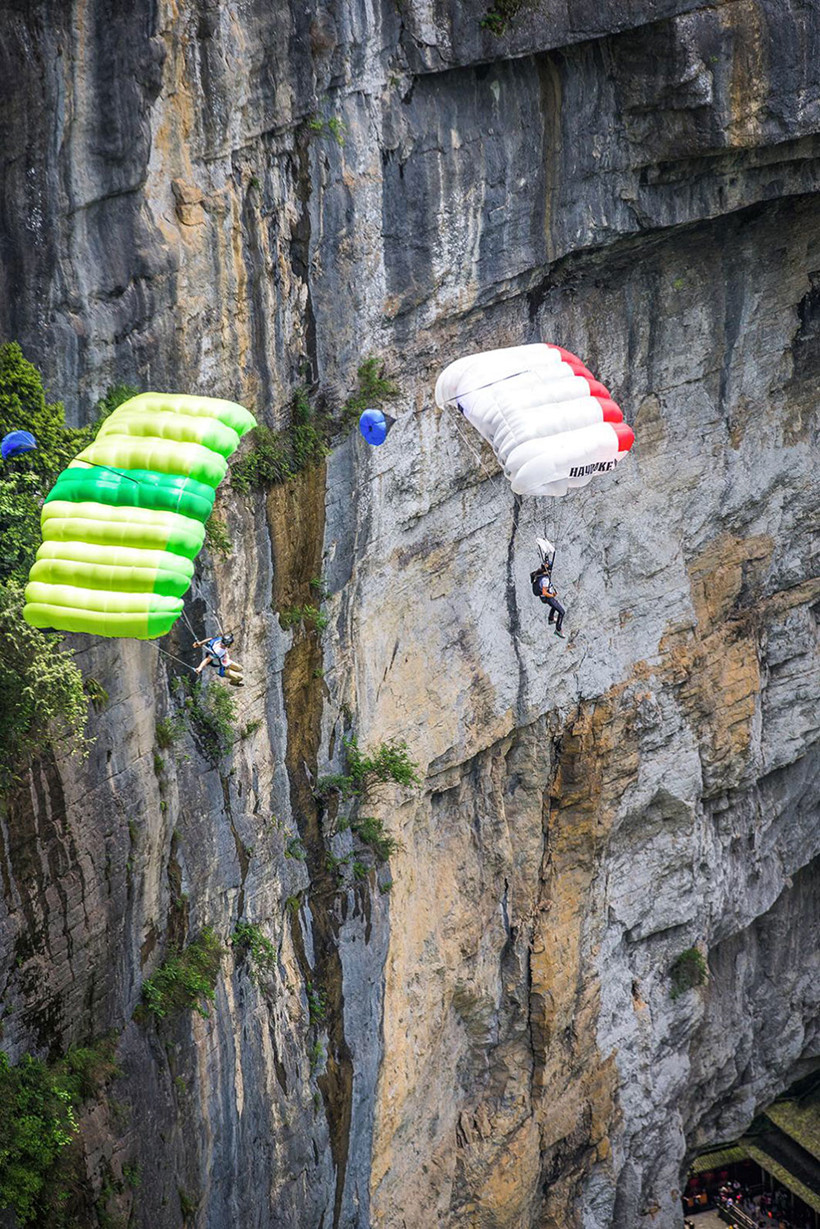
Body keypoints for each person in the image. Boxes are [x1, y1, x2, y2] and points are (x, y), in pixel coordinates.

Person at [530, 560, 566, 637]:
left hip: (544, 598)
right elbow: (544, 592)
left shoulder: (540, 575)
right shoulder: (545, 580)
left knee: (555, 604)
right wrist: (552, 595)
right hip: (547, 598)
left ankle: (551, 619)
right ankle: (558, 629)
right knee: (562, 612)